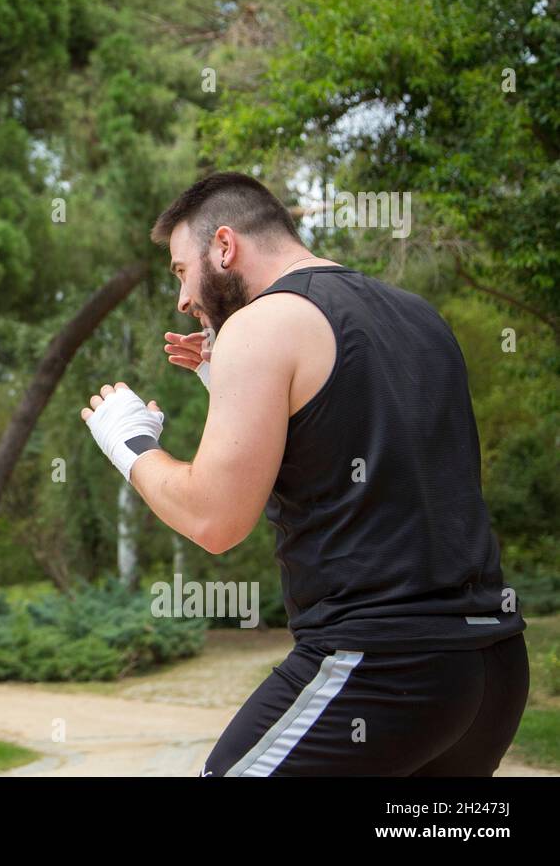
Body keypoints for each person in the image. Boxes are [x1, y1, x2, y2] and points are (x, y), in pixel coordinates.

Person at [81, 172, 528, 776]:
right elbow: (378, 449)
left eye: (181, 271)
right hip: (492, 666)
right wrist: (236, 383)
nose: (183, 300)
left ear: (224, 246)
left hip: (382, 666)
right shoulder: (419, 317)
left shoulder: (261, 324)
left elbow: (214, 521)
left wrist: (128, 442)